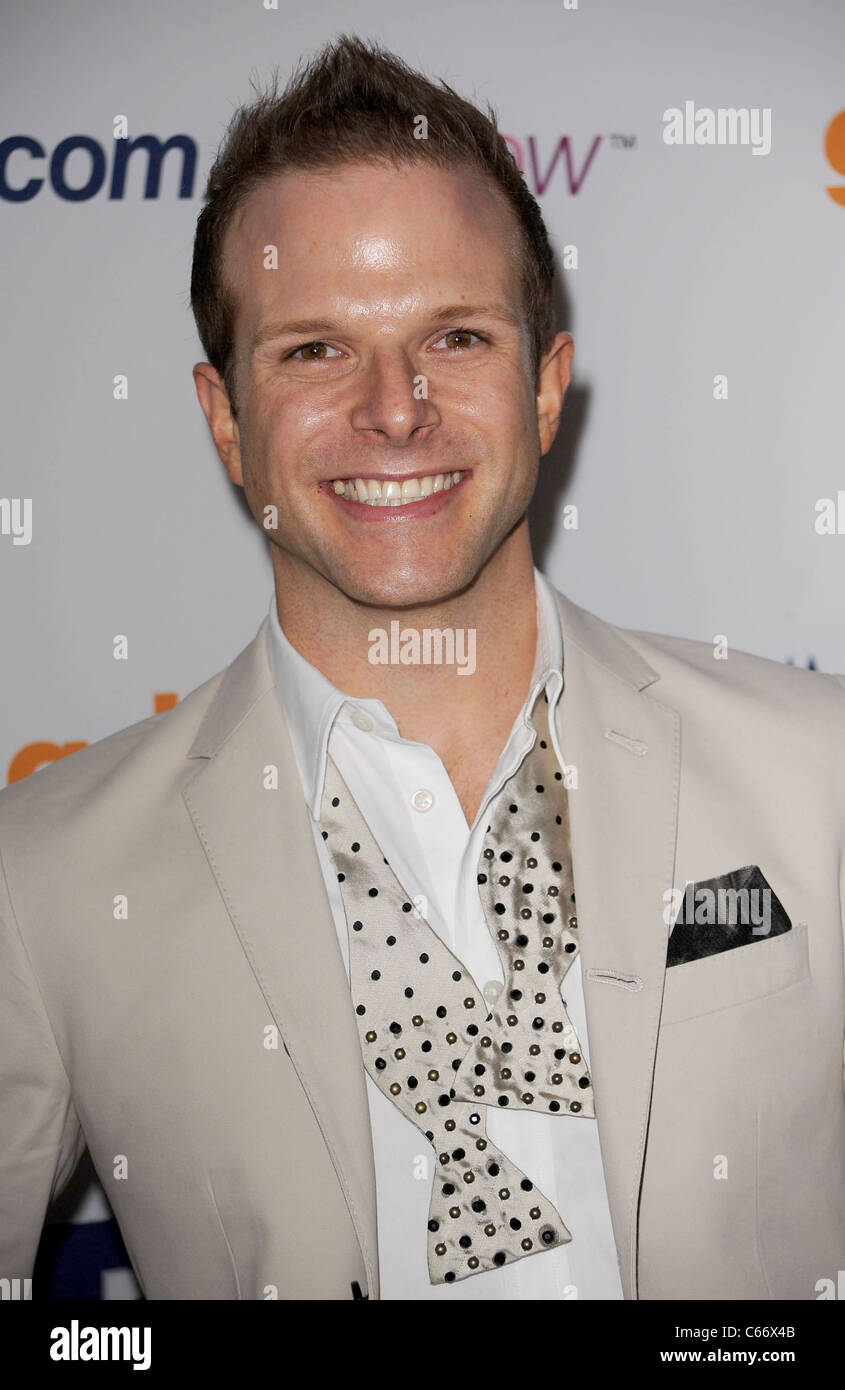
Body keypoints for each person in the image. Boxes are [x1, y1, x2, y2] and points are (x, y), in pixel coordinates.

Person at [1, 33, 843, 1303]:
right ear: (224, 418)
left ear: (545, 388)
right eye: (312, 350)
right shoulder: (47, 874)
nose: (394, 409)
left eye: (453, 336)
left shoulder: (817, 771)